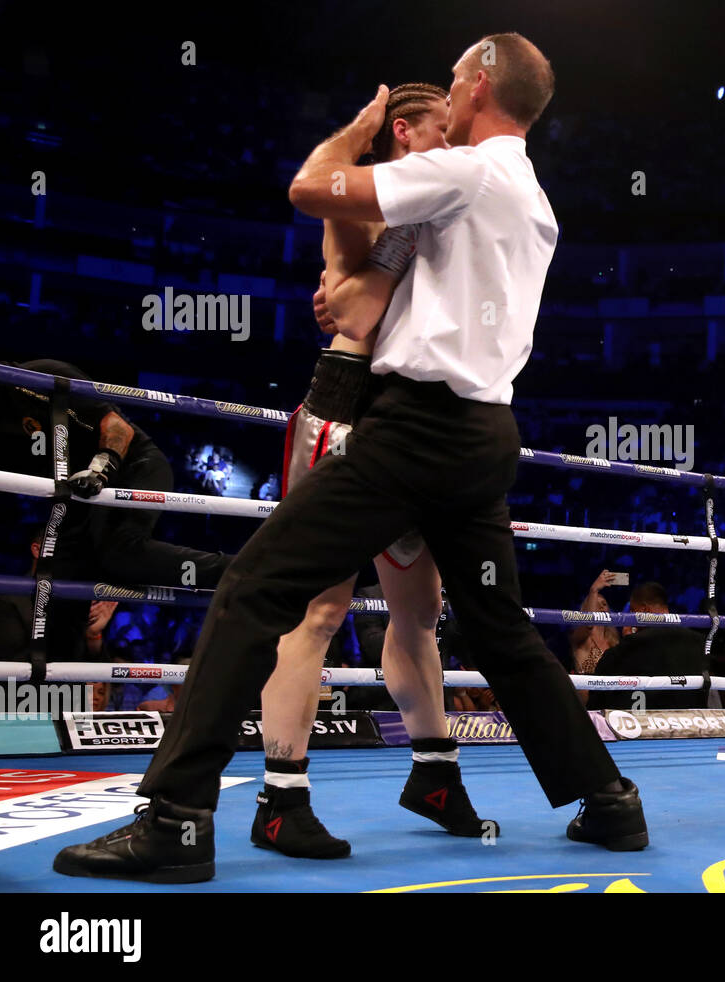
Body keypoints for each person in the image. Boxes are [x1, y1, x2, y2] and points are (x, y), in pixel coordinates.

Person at [55, 34, 646, 884]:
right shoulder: (527, 193)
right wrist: (351, 288)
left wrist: (357, 125)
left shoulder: (465, 172)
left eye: (454, 81)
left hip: (413, 432)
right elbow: (357, 299)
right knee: (496, 628)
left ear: (480, 85)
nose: (446, 96)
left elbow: (305, 187)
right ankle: (610, 799)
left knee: (256, 589)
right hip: (483, 437)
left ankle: (178, 820)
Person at [252, 82, 493, 862]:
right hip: (344, 410)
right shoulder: (370, 206)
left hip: (410, 424)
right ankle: (281, 797)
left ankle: (435, 773)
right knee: (320, 612)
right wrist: (394, 234)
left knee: (419, 614)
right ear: (402, 130)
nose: (458, 149)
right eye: (443, 134)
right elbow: (353, 311)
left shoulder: (450, 205)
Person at [0, 357, 232, 660]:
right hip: (76, 494)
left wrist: (102, 465)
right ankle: (61, 697)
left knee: (119, 548)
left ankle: (237, 570)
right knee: (59, 587)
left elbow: (118, 426)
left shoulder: (35, 377)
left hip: (130, 464)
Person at [587, 582, 707, 711]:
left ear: (644, 610)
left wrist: (627, 640)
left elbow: (600, 689)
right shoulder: (697, 640)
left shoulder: (637, 642)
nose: (630, 617)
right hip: (689, 723)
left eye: (633, 610)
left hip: (645, 724)